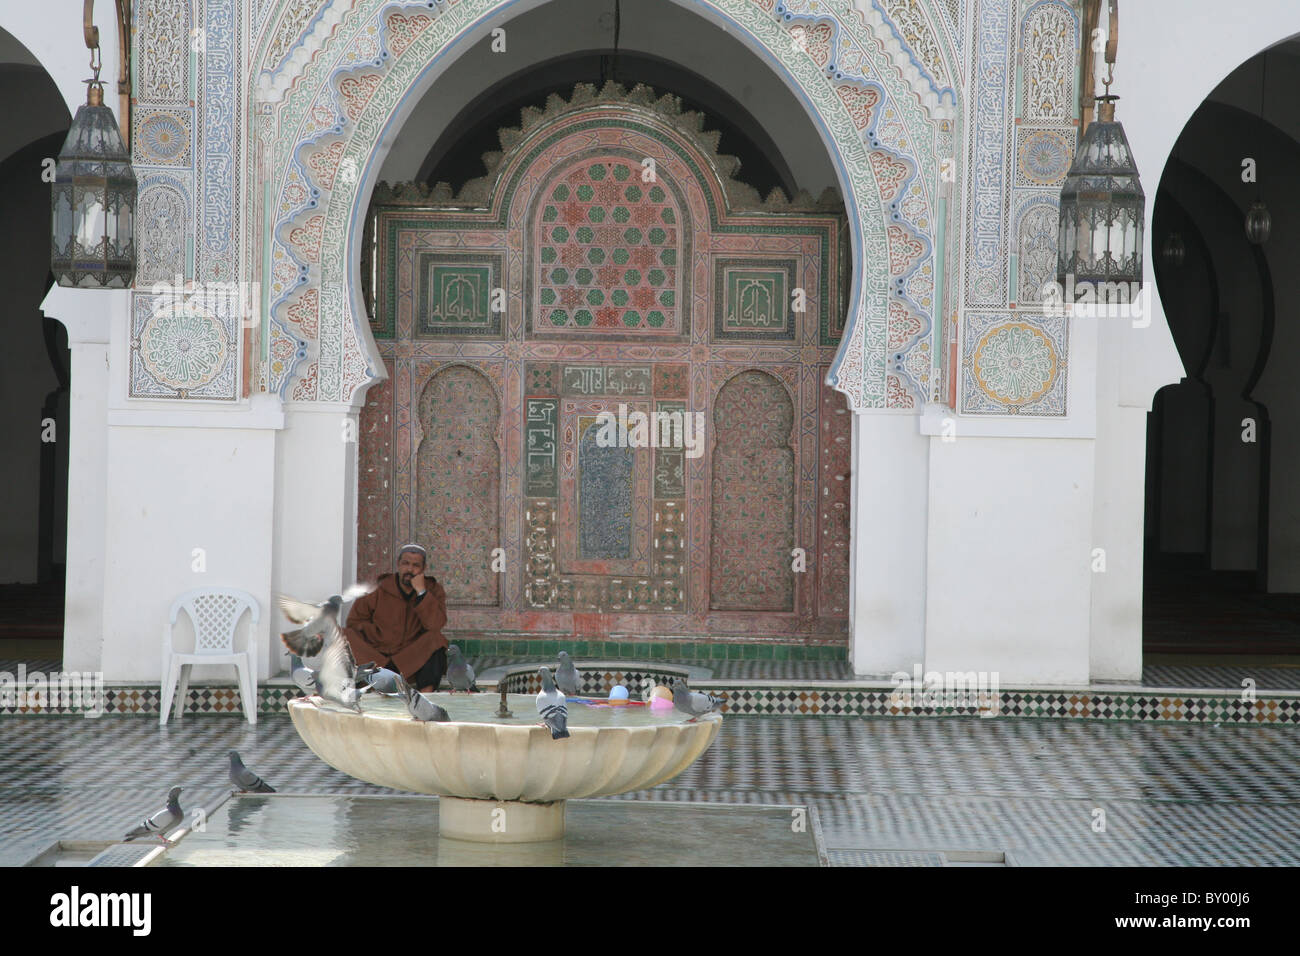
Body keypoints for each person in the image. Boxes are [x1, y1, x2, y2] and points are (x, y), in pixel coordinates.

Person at [341, 544, 449, 692]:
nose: (410, 570)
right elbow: (354, 622)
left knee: (436, 639)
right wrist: (375, 632)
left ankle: (425, 697)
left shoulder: (433, 589)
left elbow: (435, 625)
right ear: (398, 565)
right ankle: (368, 687)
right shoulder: (378, 587)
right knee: (343, 635)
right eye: (406, 564)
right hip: (377, 655)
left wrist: (422, 593)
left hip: (409, 658)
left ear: (423, 569)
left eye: (416, 565)